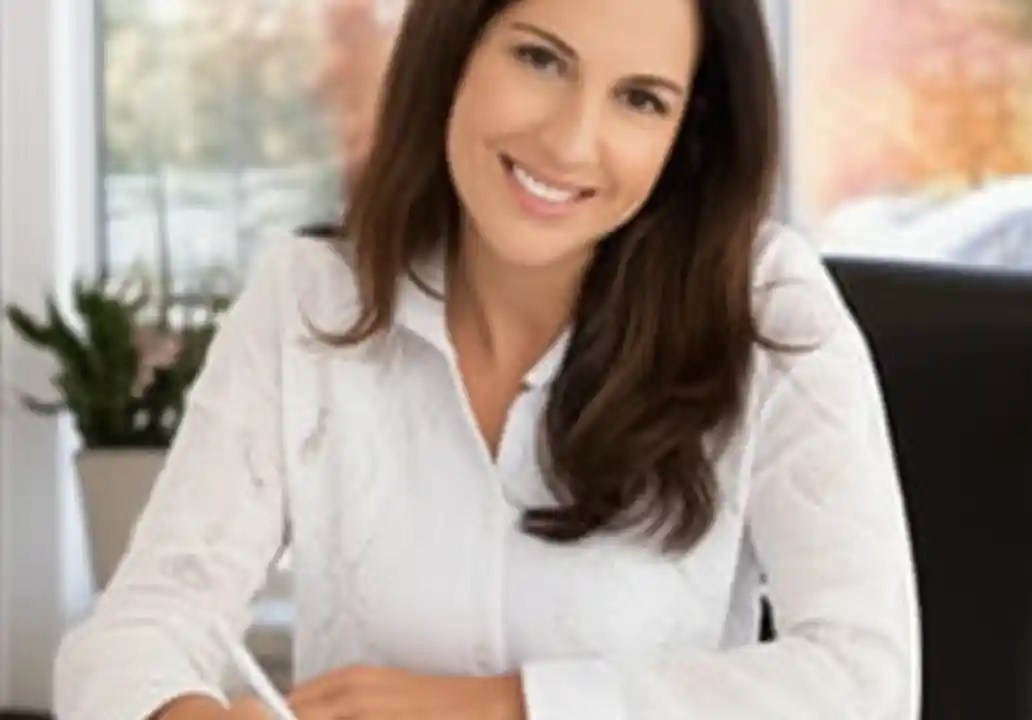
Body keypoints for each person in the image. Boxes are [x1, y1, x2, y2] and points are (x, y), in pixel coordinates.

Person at [54, 0, 921, 717]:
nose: (572, 142)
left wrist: (506, 706)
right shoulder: (311, 299)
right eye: (541, 59)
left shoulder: (764, 309)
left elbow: (867, 681)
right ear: (455, 49)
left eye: (641, 99)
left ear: (685, 136)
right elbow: (139, 624)